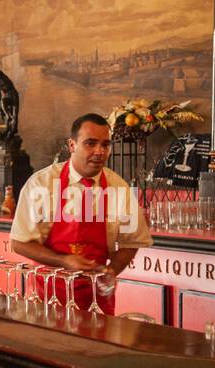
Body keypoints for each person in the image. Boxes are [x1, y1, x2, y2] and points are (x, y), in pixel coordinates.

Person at [9, 113, 152, 314]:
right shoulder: (41, 184)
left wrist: (112, 271)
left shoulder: (117, 187)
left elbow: (132, 241)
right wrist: (64, 261)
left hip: (96, 297)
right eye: (90, 143)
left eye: (105, 145)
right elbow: (19, 243)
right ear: (72, 145)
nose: (99, 151)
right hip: (48, 295)